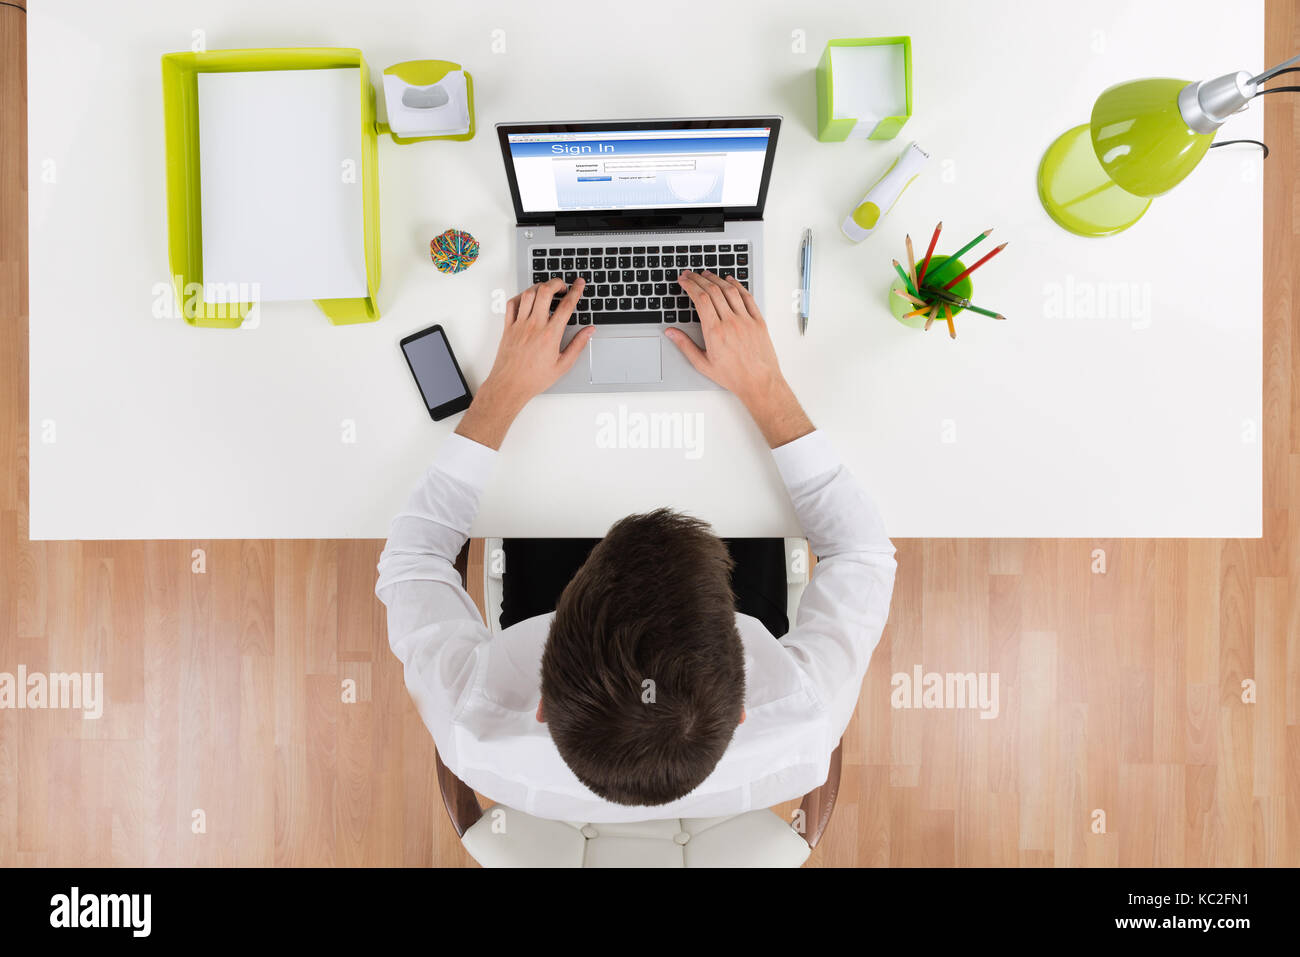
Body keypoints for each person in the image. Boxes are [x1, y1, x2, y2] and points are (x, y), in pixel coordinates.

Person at [376, 270, 896, 822]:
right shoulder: (803, 715)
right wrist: (764, 385)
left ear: (542, 705)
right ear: (744, 710)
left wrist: (503, 389)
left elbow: (414, 560)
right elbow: (862, 553)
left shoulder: (471, 720)